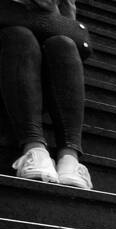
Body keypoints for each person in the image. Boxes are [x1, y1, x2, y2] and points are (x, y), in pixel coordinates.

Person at [2, 1, 92, 187]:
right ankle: (34, 148)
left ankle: (70, 157)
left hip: (42, 28)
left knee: (64, 43)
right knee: (20, 37)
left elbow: (68, 18)